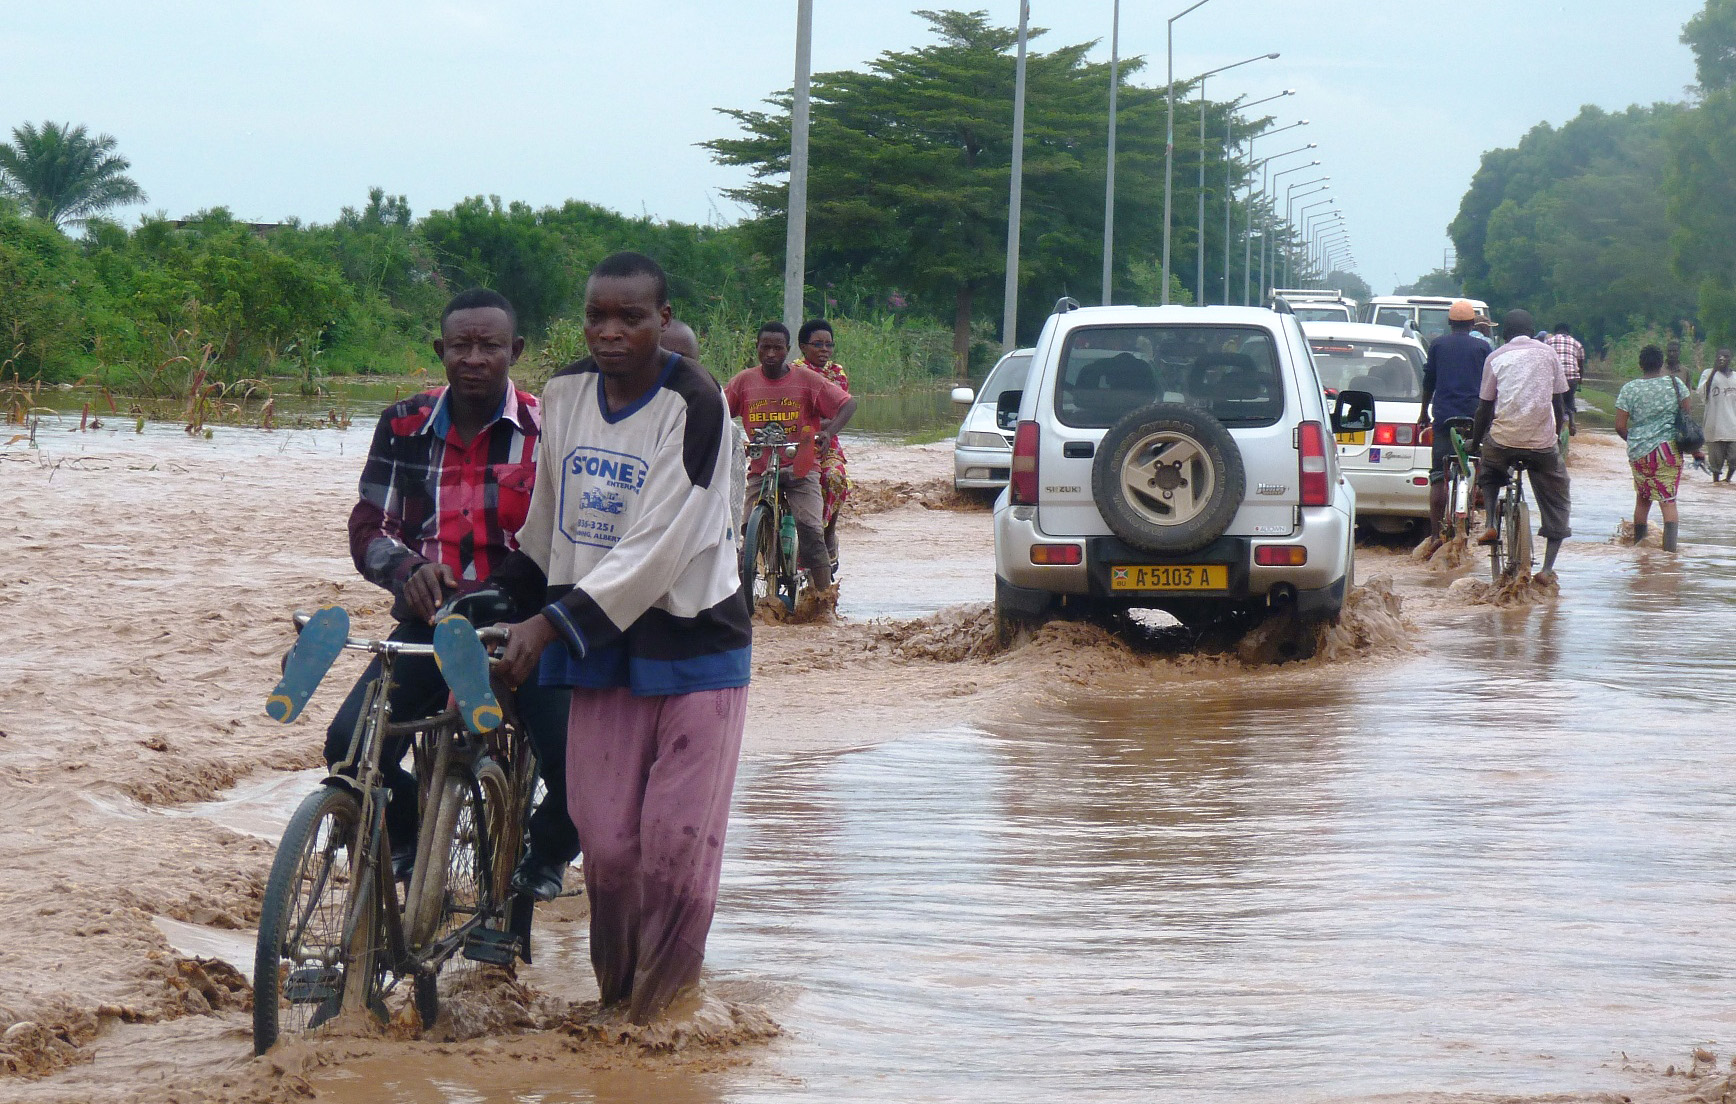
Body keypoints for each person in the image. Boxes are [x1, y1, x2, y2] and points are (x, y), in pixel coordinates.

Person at [493, 252, 751, 1025]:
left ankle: (663, 1016)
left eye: (630, 317)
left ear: (662, 320)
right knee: (605, 845)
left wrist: (548, 625)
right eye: (596, 317)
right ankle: (615, 1006)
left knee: (675, 845)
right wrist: (507, 595)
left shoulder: (696, 402)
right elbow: (551, 518)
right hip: (599, 648)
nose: (610, 332)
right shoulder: (566, 394)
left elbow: (658, 546)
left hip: (692, 644)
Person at [331, 287, 578, 900]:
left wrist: (524, 603)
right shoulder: (404, 423)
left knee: (577, 769)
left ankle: (544, 857)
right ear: (439, 350)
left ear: (515, 351)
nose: (473, 359)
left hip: (527, 628)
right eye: (460, 346)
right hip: (433, 623)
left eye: (489, 346)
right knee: (349, 746)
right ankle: (408, 835)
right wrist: (407, 569)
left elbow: (569, 535)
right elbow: (370, 525)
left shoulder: (551, 428)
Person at [724, 322, 858, 593]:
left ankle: (823, 599)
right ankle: (739, 598)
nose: (771, 354)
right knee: (747, 530)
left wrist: (828, 432)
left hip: (801, 468)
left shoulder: (807, 380)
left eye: (777, 348)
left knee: (810, 529)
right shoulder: (744, 382)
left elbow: (847, 404)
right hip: (761, 470)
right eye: (765, 348)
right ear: (757, 348)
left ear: (787, 350)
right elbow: (719, 411)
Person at [1472, 308, 1572, 584]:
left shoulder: (1495, 357)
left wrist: (1476, 442)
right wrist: (1556, 435)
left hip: (1503, 441)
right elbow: (1559, 402)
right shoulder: (1549, 354)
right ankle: (1547, 569)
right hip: (1542, 445)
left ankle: (1491, 523)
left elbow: (1484, 408)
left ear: (1505, 333)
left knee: (1489, 471)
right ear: (1532, 331)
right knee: (1557, 499)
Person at [1417, 299, 1490, 548]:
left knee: (1439, 475)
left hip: (1444, 418)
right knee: (1480, 460)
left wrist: (1424, 413)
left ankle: (1435, 536)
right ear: (1472, 324)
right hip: (1475, 416)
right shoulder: (1483, 347)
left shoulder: (1438, 345)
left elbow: (1429, 381)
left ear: (1449, 322)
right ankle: (1478, 492)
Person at [1616, 344, 1693, 550]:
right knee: (1668, 501)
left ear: (1640, 365)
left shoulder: (1629, 389)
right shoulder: (1676, 384)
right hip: (1668, 450)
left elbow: (1620, 426)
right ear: (1661, 364)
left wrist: (1636, 440)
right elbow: (1686, 415)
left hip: (1639, 452)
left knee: (1642, 500)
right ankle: (1670, 555)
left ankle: (1639, 549)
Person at [792, 318, 852, 574]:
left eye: (829, 345)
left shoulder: (837, 373)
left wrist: (824, 428)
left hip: (826, 442)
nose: (824, 350)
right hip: (796, 441)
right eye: (818, 344)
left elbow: (841, 411)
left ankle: (828, 534)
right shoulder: (792, 372)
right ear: (803, 347)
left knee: (835, 477)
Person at [1699, 347, 1736, 481]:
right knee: (1716, 464)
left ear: (1730, 359)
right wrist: (1714, 370)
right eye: (1720, 356)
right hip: (1714, 427)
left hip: (1733, 427)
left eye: (1726, 356)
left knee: (1734, 459)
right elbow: (1703, 393)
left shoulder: (1735, 377)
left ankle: (1727, 480)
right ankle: (1716, 483)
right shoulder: (1708, 374)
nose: (1722, 359)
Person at [1544, 322, 1586, 435]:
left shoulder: (1548, 342)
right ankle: (1571, 419)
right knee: (1569, 400)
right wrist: (1579, 380)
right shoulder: (1576, 343)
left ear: (1555, 331)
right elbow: (1581, 364)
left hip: (1554, 378)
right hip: (1571, 378)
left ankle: (1555, 432)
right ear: (1568, 332)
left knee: (1555, 403)